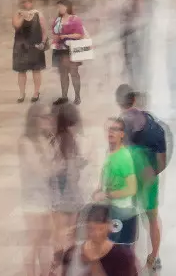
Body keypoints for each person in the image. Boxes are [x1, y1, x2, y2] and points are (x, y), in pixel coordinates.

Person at [116, 85, 168, 272]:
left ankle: (127, 256)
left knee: (127, 216)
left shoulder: (120, 125)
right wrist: (153, 172)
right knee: (152, 217)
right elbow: (162, 160)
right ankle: (155, 256)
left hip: (128, 178)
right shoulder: (156, 126)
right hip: (149, 178)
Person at [48, 101, 84, 272]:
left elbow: (53, 169)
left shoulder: (57, 140)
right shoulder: (70, 141)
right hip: (71, 193)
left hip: (60, 194)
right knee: (70, 233)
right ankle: (67, 267)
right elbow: (72, 171)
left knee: (60, 232)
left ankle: (58, 265)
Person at [19, 103, 53, 276]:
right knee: (34, 239)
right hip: (33, 197)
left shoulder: (45, 138)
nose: (50, 120)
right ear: (35, 120)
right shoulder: (27, 142)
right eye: (45, 117)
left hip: (47, 196)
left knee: (46, 239)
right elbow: (39, 170)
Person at [60, 203, 138, 275]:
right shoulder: (71, 253)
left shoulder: (122, 256)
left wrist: (93, 263)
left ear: (109, 226)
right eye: (91, 229)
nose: (96, 234)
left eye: (101, 229)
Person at [96, 119, 139, 247]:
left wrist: (107, 195)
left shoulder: (123, 157)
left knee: (119, 252)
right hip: (112, 209)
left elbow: (131, 189)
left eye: (115, 129)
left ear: (122, 134)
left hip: (122, 212)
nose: (111, 132)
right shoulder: (110, 153)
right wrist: (99, 190)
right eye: (109, 129)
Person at [50, 0, 87, 105]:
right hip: (60, 49)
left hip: (71, 49)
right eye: (59, 7)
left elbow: (80, 34)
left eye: (62, 6)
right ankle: (64, 96)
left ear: (67, 7)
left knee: (74, 73)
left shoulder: (75, 19)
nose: (60, 9)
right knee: (63, 74)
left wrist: (66, 36)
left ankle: (77, 96)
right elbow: (54, 33)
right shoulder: (57, 20)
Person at [13, 0, 46, 103]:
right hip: (21, 46)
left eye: (29, 2)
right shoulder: (17, 14)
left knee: (36, 69)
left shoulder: (38, 13)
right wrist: (23, 16)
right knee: (21, 71)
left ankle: (36, 92)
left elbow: (44, 29)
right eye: (24, 2)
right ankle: (22, 93)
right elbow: (16, 26)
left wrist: (43, 42)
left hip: (35, 45)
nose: (27, 4)